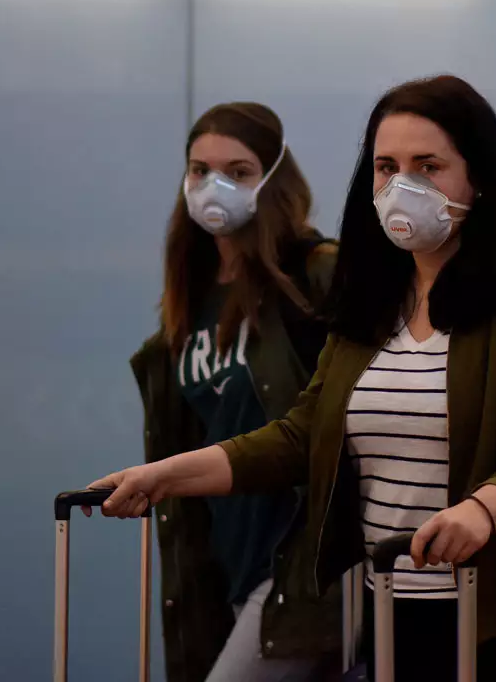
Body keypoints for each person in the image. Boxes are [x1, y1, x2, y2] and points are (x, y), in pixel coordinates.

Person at [92, 76, 496, 682]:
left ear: (480, 178)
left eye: (428, 165)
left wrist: (480, 511)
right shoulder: (372, 297)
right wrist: (165, 475)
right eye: (386, 167)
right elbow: (302, 433)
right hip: (400, 604)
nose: (402, 185)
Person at [126, 102, 341, 682]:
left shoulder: (314, 274)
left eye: (238, 171)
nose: (212, 185)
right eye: (199, 169)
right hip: (226, 562)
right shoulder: (188, 301)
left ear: (273, 180)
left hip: (301, 563)